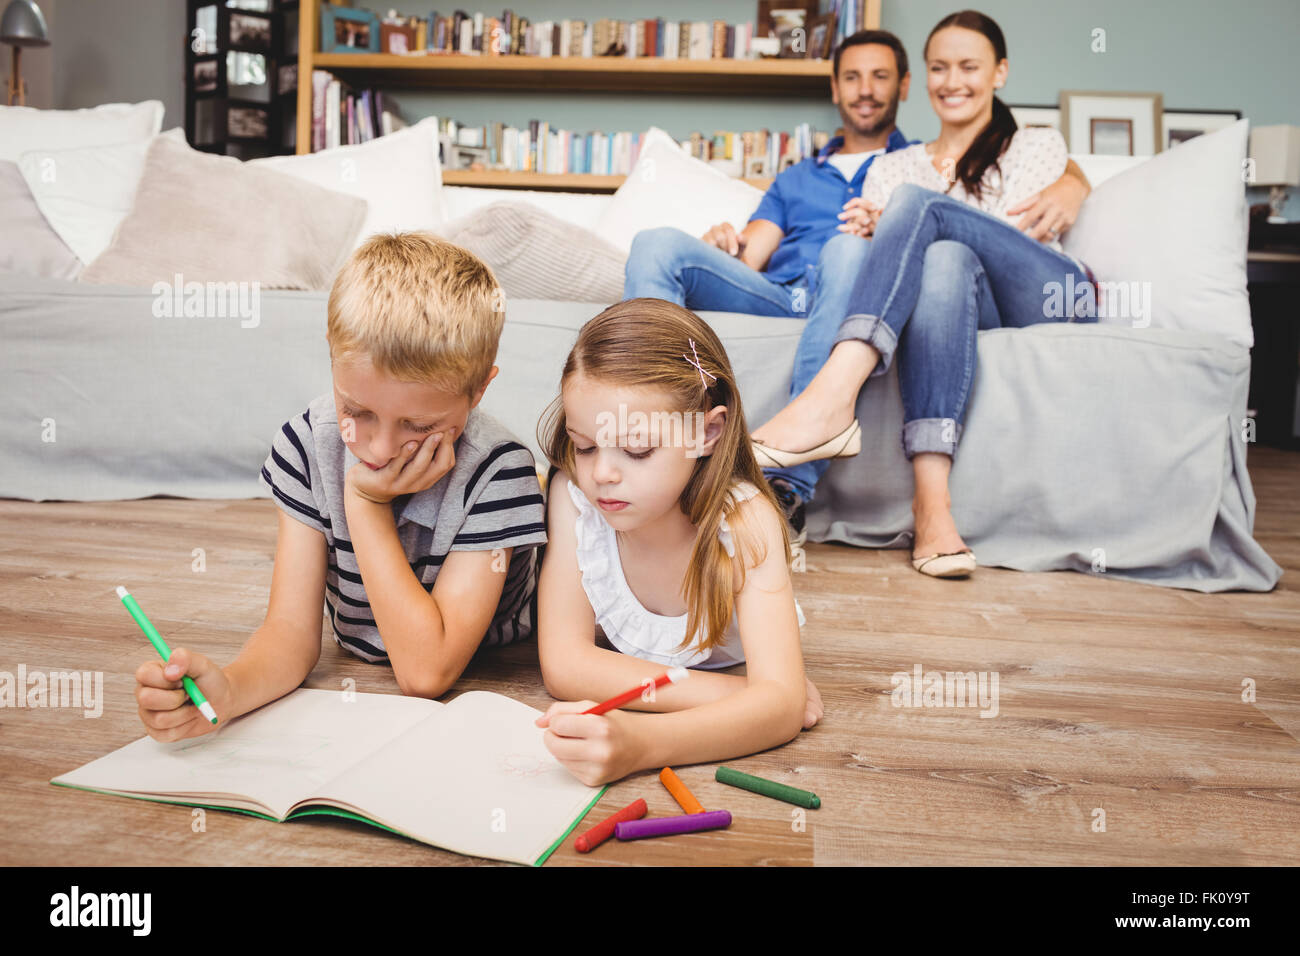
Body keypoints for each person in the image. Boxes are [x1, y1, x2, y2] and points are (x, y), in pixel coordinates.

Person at [624, 29, 1090, 534]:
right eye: (852, 77)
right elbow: (753, 250)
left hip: (854, 287)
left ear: (903, 85)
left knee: (848, 249)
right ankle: (649, 430)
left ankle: (790, 479)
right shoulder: (809, 175)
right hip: (786, 294)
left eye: (880, 77)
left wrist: (1076, 181)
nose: (865, 89)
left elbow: (1006, 216)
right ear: (834, 87)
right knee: (656, 242)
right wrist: (726, 246)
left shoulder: (929, 164)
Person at [134, 233, 548, 741]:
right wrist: (230, 691)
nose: (377, 450)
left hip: (486, 659)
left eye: (418, 426)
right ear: (331, 355)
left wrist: (366, 504)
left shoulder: (498, 472)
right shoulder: (306, 445)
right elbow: (290, 633)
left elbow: (425, 673)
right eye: (357, 412)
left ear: (480, 388)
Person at [749, 9, 1098, 578]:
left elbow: (1010, 240)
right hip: (962, 300)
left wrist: (903, 221)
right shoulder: (896, 166)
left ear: (1000, 72)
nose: (951, 81)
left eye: (969, 66)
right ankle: (932, 509)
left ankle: (831, 396)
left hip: (1045, 291)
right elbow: (948, 259)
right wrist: (882, 233)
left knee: (922, 213)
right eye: (939, 67)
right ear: (924, 78)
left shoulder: (1035, 146)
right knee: (942, 259)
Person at [533, 298, 822, 787]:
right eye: (584, 446)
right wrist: (743, 696)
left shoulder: (747, 519)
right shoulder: (574, 494)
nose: (601, 473)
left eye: (638, 449)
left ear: (707, 433)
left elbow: (781, 711)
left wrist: (641, 745)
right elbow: (564, 665)